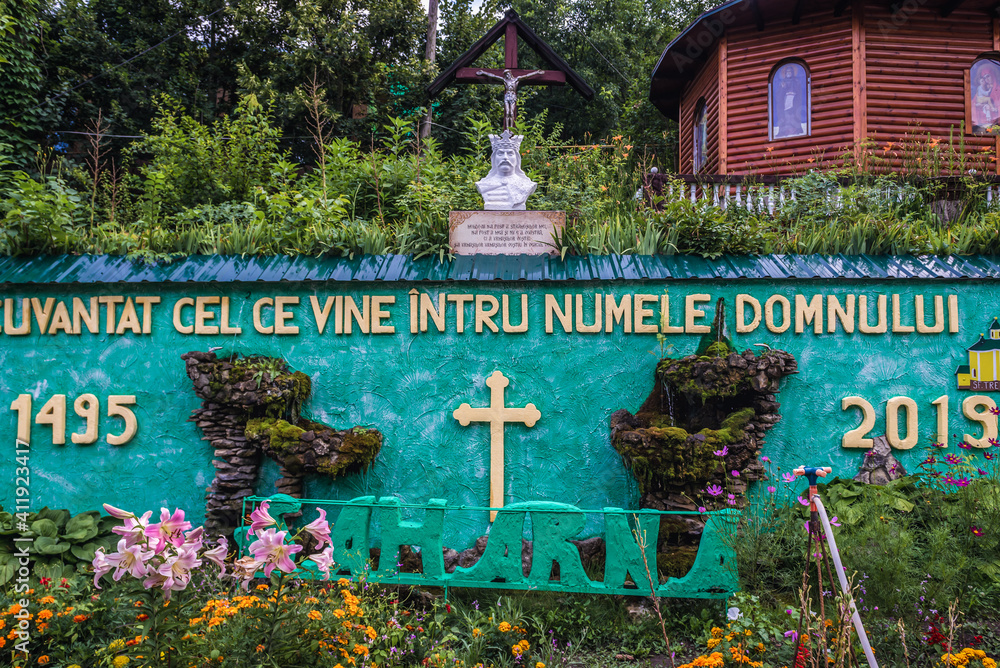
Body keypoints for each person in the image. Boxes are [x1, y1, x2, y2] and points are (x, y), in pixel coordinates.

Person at [475, 130, 537, 211]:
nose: (505, 157)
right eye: (500, 153)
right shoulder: (484, 184)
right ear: (493, 159)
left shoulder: (526, 185)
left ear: (517, 159)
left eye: (510, 154)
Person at [476, 69, 544, 129]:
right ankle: (507, 128)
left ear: (510, 73)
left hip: (513, 96)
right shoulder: (504, 80)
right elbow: (493, 76)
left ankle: (511, 127)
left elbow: (526, 76)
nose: (507, 75)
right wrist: (483, 72)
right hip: (507, 96)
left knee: (511, 113)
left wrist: (536, 72)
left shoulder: (516, 79)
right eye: (506, 74)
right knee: (507, 112)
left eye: (508, 73)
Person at [972, 60, 1000, 132]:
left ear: (993, 75)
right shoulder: (981, 90)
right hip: (982, 127)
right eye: (984, 78)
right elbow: (973, 107)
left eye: (988, 76)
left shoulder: (998, 90)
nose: (986, 80)